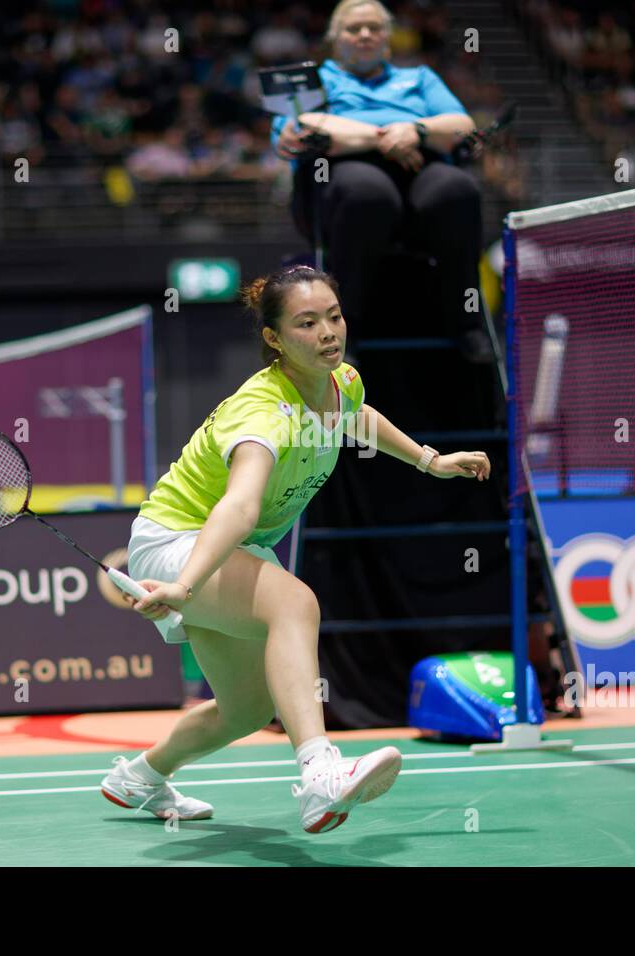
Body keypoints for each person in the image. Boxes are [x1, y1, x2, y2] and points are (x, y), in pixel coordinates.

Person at [103, 264, 492, 834]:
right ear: (275, 339)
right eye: (306, 324)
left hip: (234, 548)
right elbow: (238, 506)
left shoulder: (340, 383)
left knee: (245, 710)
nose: (328, 332)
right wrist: (184, 586)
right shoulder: (262, 412)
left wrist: (429, 460)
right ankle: (318, 774)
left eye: (333, 316)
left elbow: (354, 417)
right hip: (180, 542)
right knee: (295, 604)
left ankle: (138, 777)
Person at [270, 0, 493, 364]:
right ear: (334, 38)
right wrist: (390, 136)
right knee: (367, 193)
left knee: (457, 190)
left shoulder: (419, 77)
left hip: (420, 167)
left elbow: (463, 126)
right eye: (354, 28)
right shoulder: (312, 81)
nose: (364, 35)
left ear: (387, 38)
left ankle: (465, 324)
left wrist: (416, 129)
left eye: (374, 27)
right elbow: (301, 131)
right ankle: (346, 328)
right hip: (344, 178)